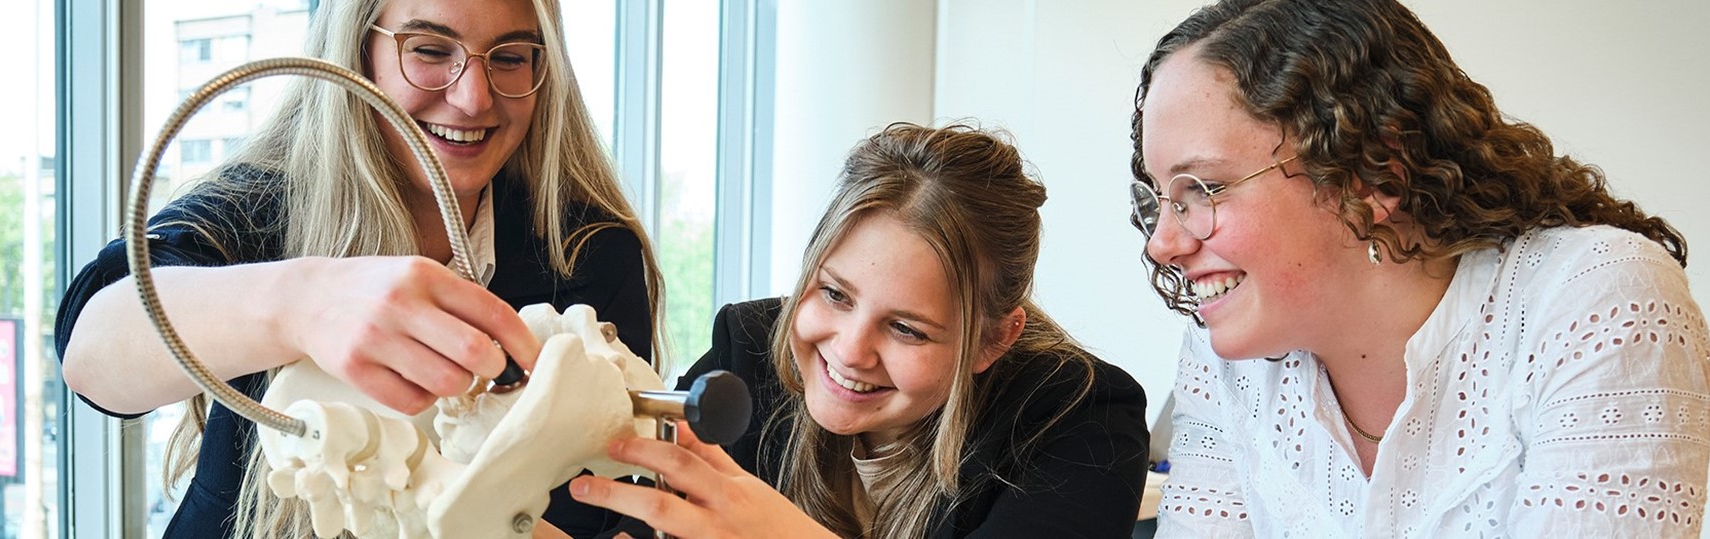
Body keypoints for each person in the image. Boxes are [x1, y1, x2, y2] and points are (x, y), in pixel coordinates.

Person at [52, 0, 664, 537]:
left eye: (509, 58)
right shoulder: (259, 210)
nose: (474, 97)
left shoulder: (587, 252)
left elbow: (605, 505)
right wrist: (303, 303)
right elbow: (92, 353)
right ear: (357, 52)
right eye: (429, 49)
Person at [1127, 0, 1710, 536]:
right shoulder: (1224, 359)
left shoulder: (1596, 297)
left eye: (1205, 188)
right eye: (1160, 198)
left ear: (1374, 173)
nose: (1163, 243)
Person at [569, 122, 1152, 538]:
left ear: (993, 340)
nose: (848, 352)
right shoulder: (746, 349)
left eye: (905, 328)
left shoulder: (1084, 418)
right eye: (834, 294)